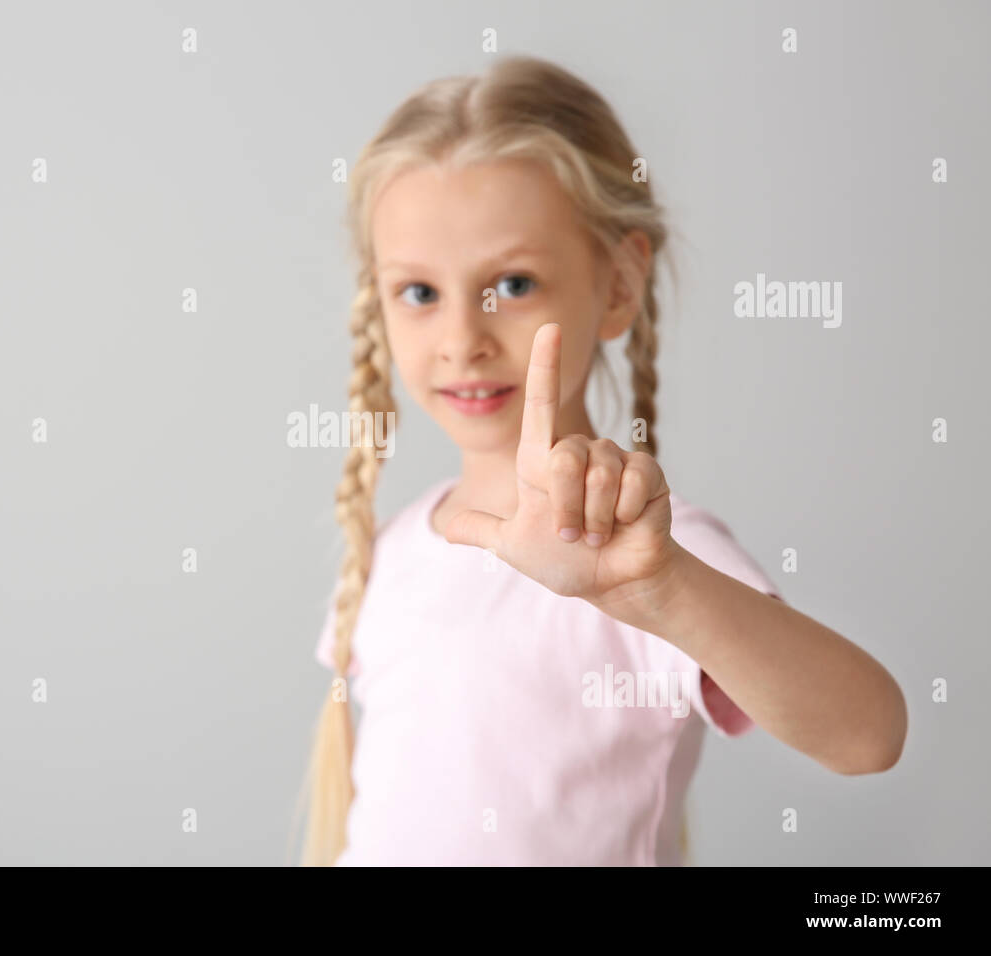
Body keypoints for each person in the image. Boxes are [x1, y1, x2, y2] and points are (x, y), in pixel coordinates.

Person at [295, 55, 907, 867]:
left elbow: (868, 735)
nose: (461, 341)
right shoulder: (396, 550)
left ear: (617, 285)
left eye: (512, 283)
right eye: (419, 292)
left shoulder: (644, 554)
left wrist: (664, 590)